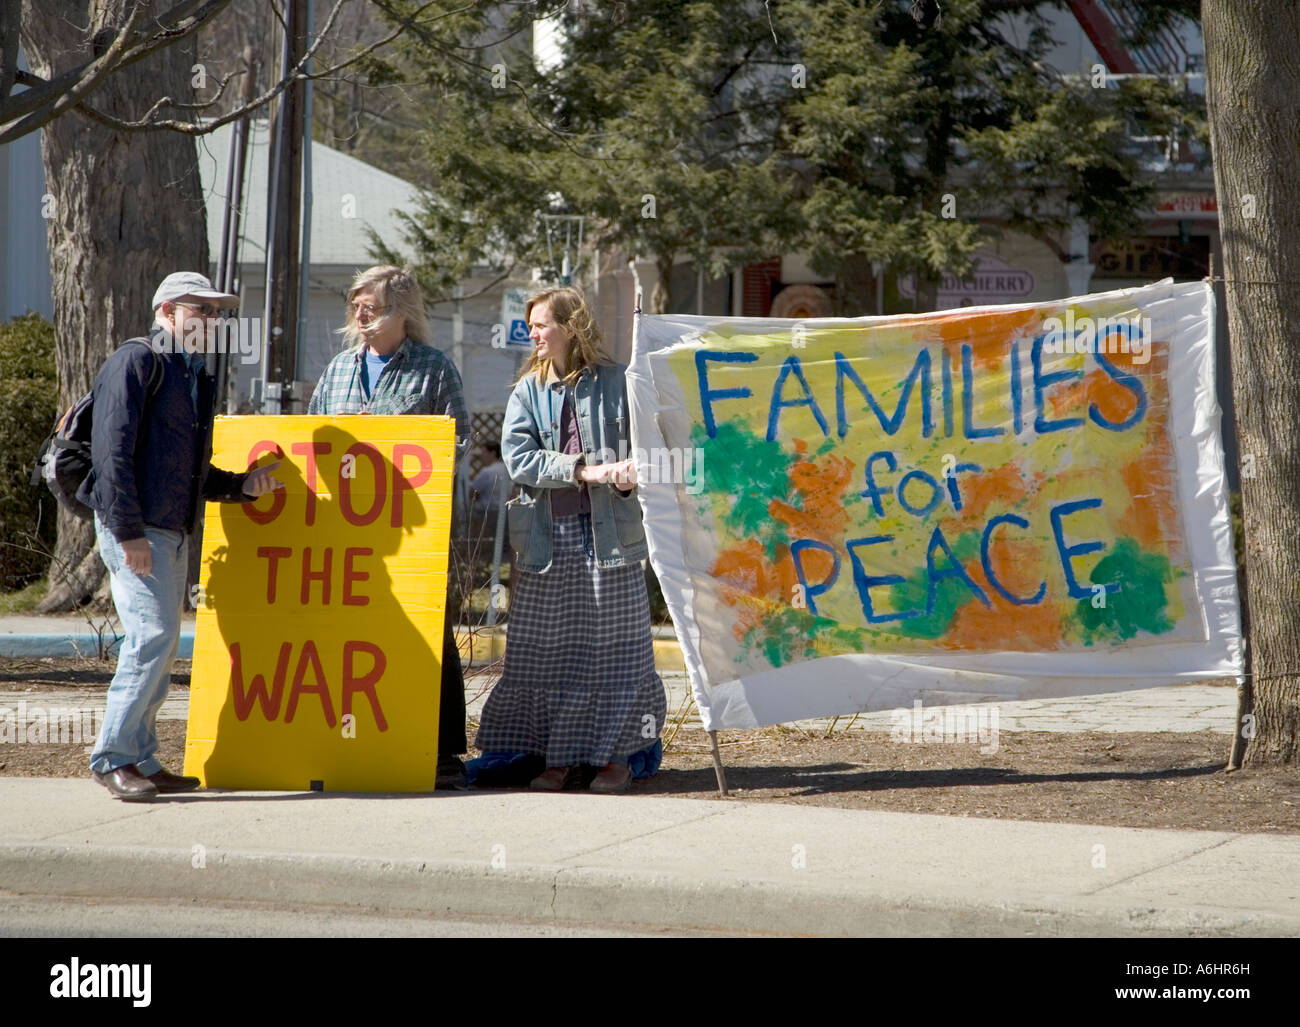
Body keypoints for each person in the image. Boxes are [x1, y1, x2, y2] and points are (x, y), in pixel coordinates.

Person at [86, 271, 284, 801]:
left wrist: (243, 487)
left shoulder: (196, 375)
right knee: (150, 638)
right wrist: (128, 532)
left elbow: (192, 470)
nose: (213, 321)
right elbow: (112, 455)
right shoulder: (137, 361)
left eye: (218, 313)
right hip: (136, 528)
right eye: (201, 309)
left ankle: (143, 758)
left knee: (163, 642)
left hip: (170, 530)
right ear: (167, 312)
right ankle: (113, 758)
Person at [474, 286, 667, 793]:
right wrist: (590, 470)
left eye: (541, 324)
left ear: (571, 326)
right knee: (544, 652)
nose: (532, 333)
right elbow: (519, 459)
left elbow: (649, 448)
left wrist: (628, 475)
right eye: (531, 324)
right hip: (544, 540)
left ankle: (617, 759)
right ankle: (554, 758)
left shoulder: (619, 382)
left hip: (611, 537)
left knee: (617, 651)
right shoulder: (526, 392)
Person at [307, 265, 471, 789]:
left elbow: (458, 445)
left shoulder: (434, 369)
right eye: (355, 304)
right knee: (349, 639)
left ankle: (443, 753)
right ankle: (348, 744)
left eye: (370, 305)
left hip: (413, 535)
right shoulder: (336, 371)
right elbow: (313, 441)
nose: (359, 313)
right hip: (346, 537)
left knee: (429, 636)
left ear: (401, 311)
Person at [469, 441, 510, 518]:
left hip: (487, 514)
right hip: (505, 513)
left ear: (493, 453)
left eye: (484, 452)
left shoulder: (487, 471)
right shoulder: (506, 469)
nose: (482, 456)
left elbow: (473, 493)